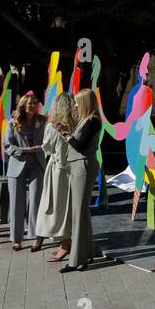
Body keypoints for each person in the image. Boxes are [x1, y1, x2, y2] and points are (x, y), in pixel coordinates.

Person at [60, 89, 103, 273]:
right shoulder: (87, 120)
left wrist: (64, 133)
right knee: (81, 213)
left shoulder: (92, 121)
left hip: (83, 166)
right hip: (80, 166)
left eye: (78, 102)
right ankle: (87, 252)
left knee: (79, 213)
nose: (75, 105)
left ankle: (77, 258)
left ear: (85, 102)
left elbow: (81, 146)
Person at [5, 91, 47, 252]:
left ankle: (36, 236)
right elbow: (7, 146)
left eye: (35, 103)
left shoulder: (43, 121)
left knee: (36, 199)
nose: (33, 105)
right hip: (17, 164)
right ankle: (17, 239)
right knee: (16, 202)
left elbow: (49, 140)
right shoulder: (13, 121)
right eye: (30, 103)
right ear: (23, 104)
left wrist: (42, 148)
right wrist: (25, 150)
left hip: (37, 163)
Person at [39, 93, 76, 263]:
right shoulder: (76, 124)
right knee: (70, 207)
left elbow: (47, 147)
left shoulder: (52, 127)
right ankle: (66, 242)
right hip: (73, 169)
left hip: (57, 170)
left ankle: (65, 243)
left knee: (57, 207)